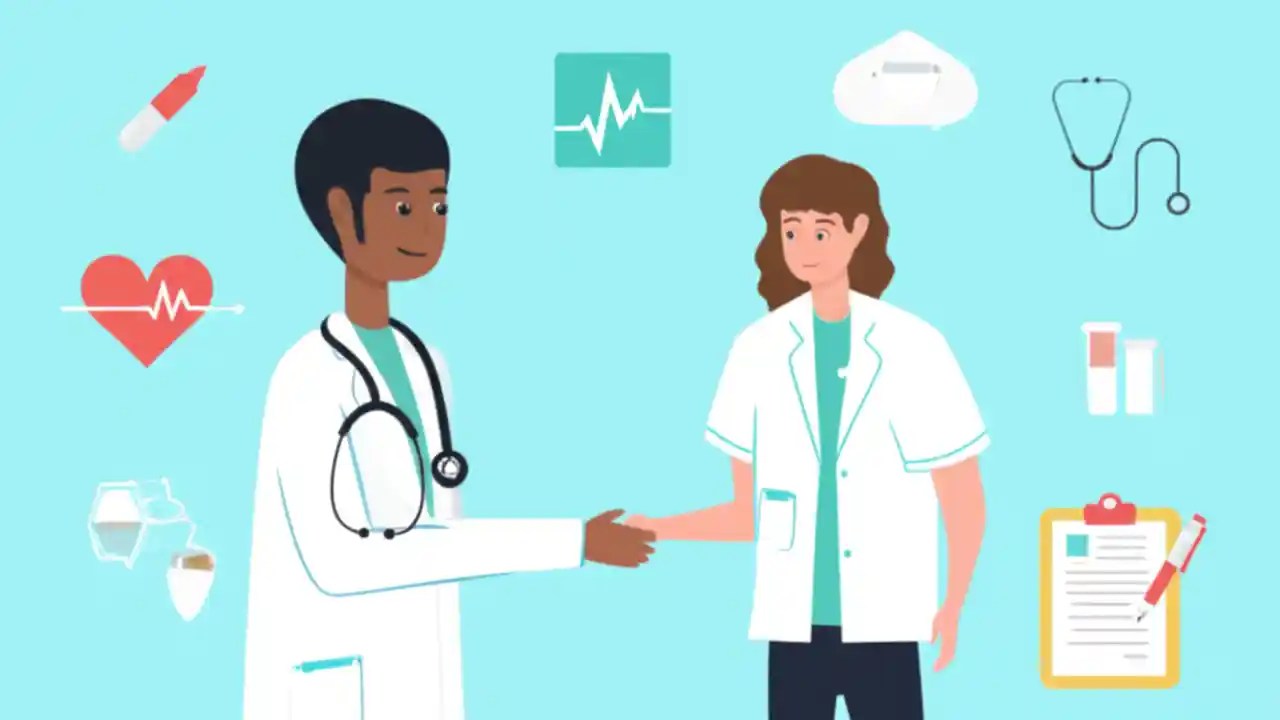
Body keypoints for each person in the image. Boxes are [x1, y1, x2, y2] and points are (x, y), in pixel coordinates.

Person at [242, 99, 656, 720]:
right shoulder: (307, 376)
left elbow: (438, 533)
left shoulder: (424, 363)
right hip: (330, 687)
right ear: (339, 210)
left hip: (418, 677)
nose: (426, 228)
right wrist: (573, 541)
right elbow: (341, 560)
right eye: (402, 206)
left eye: (439, 205)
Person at [629, 154, 988, 719]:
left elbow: (962, 497)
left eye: (822, 229)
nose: (804, 245)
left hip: (886, 623)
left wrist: (954, 604)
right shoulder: (756, 349)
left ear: (859, 231)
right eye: (790, 230)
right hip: (795, 629)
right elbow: (748, 515)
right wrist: (658, 529)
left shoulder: (917, 347)